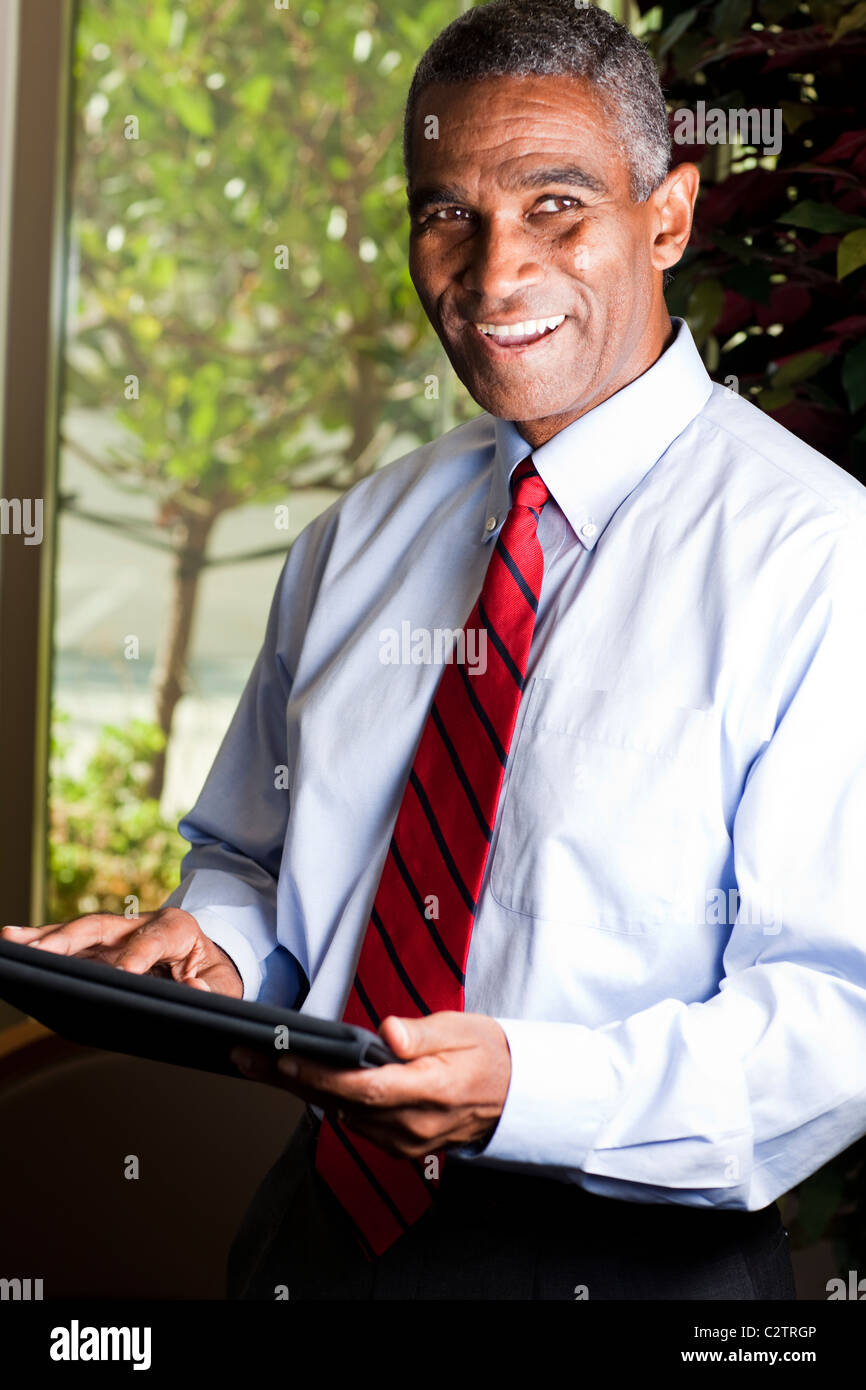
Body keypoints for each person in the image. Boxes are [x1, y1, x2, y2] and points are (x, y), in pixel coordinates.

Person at [6, 0, 866, 1300]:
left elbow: (834, 1017)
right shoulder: (359, 536)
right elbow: (250, 856)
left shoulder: (818, 558)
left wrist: (521, 1089)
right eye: (445, 212)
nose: (491, 273)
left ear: (668, 216)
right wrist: (213, 948)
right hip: (315, 1235)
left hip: (634, 1269)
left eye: (555, 206)